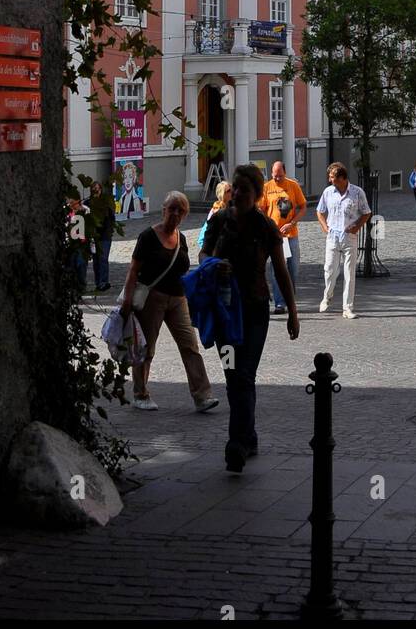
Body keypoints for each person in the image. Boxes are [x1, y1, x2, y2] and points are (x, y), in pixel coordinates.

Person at [201, 163, 300, 471]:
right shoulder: (219, 221)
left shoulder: (265, 227)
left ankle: (237, 444)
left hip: (255, 310)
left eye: (246, 189)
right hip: (225, 311)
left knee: (244, 373)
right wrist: (214, 263)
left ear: (257, 195)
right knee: (234, 375)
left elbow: (281, 273)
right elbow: (202, 253)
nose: (239, 193)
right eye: (237, 187)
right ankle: (250, 435)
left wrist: (293, 313)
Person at [120, 191, 220, 415]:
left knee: (190, 346)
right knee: (147, 347)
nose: (175, 213)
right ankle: (140, 393)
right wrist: (127, 301)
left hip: (178, 298)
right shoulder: (147, 237)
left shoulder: (181, 238)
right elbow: (133, 270)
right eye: (172, 208)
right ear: (164, 209)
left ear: (184, 215)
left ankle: (202, 395)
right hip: (152, 298)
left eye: (180, 210)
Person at [316, 162, 371, 319]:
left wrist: (357, 227)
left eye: (332, 177)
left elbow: (366, 212)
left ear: (342, 178)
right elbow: (319, 211)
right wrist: (325, 227)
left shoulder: (357, 192)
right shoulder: (328, 192)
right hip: (333, 236)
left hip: (349, 237)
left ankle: (347, 307)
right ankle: (327, 295)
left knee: (349, 273)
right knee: (330, 270)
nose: (330, 179)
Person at [262, 161, 307, 315]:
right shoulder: (267, 187)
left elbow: (303, 206)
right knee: (276, 270)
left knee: (293, 268)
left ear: (285, 173)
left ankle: (289, 297)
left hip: (291, 234)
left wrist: (292, 223)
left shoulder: (293, 186)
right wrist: (269, 227)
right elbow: (261, 210)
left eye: (280, 176)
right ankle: (279, 303)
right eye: (275, 176)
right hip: (275, 237)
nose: (277, 179)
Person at [88, 179, 115, 292]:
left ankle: (104, 282)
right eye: (94, 191)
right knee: (96, 259)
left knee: (103, 258)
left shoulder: (106, 203)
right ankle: (98, 282)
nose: (96, 193)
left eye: (98, 190)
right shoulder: (88, 203)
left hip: (105, 235)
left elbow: (111, 217)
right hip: (94, 236)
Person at [197, 180, 231, 260]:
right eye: (229, 191)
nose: (232, 192)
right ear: (222, 194)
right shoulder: (216, 212)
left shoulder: (231, 208)